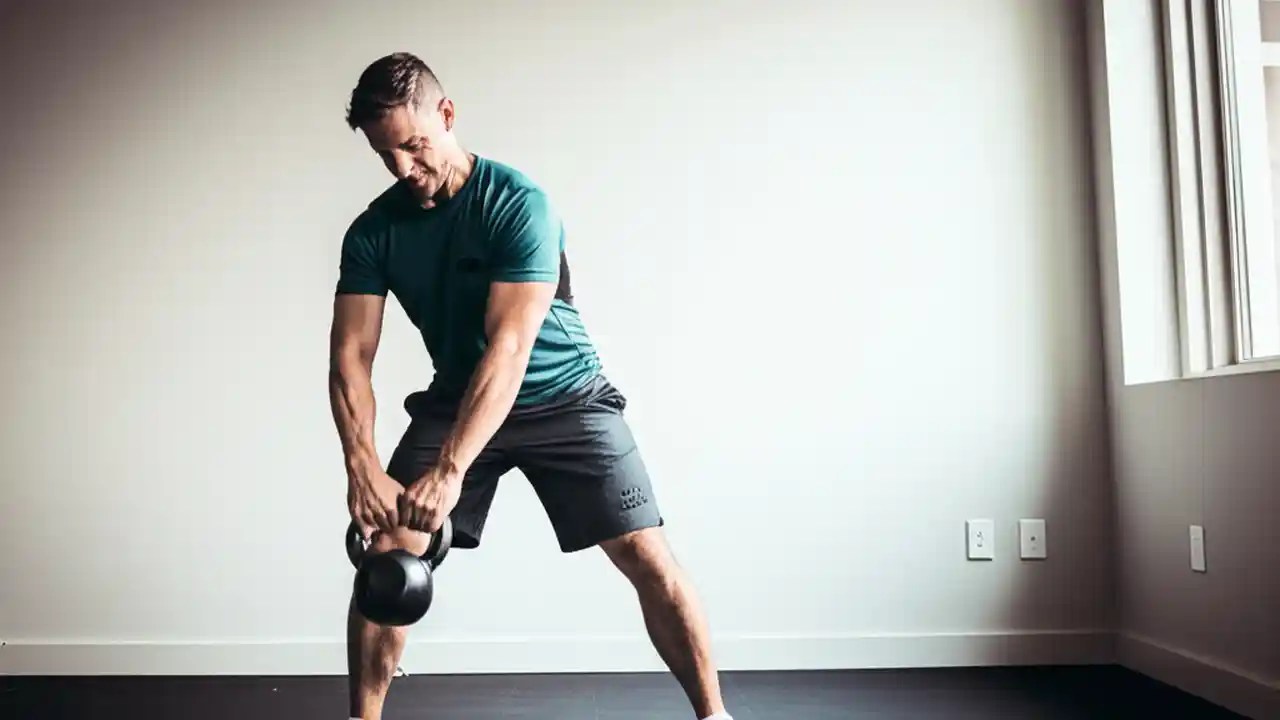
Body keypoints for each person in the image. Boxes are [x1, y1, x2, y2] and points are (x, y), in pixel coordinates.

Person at [328, 52, 734, 720]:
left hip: (565, 396)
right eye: (384, 154)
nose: (402, 167)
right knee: (387, 555)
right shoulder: (374, 232)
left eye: (413, 145)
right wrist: (361, 465)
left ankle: (714, 715)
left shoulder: (519, 205)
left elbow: (509, 348)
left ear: (447, 115)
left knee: (645, 552)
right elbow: (350, 356)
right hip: (459, 397)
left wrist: (450, 471)